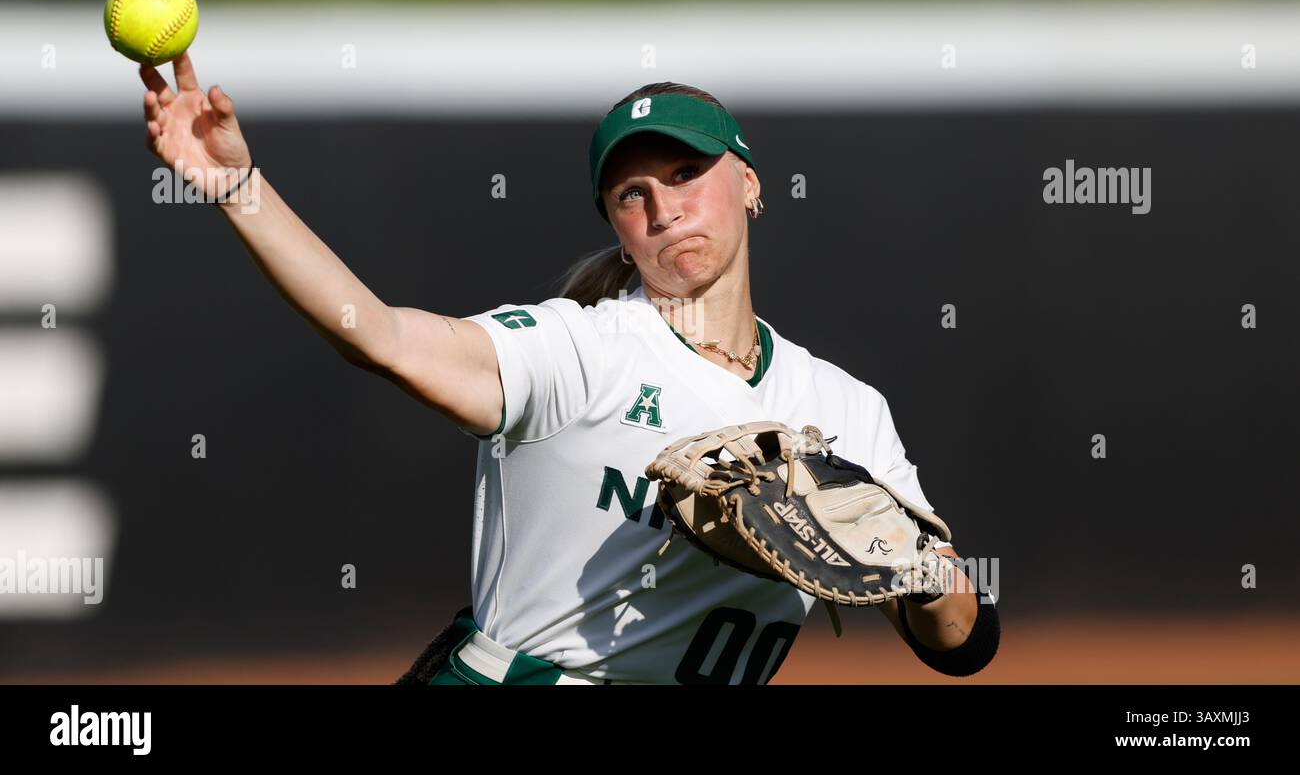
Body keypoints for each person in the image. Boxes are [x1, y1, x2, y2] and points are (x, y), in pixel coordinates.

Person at [138, 56, 999, 684]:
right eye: (632, 193)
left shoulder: (840, 406)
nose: (664, 207)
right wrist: (240, 191)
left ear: (749, 185)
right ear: (617, 224)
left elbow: (963, 640)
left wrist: (915, 568)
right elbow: (383, 337)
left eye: (687, 172)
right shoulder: (578, 349)